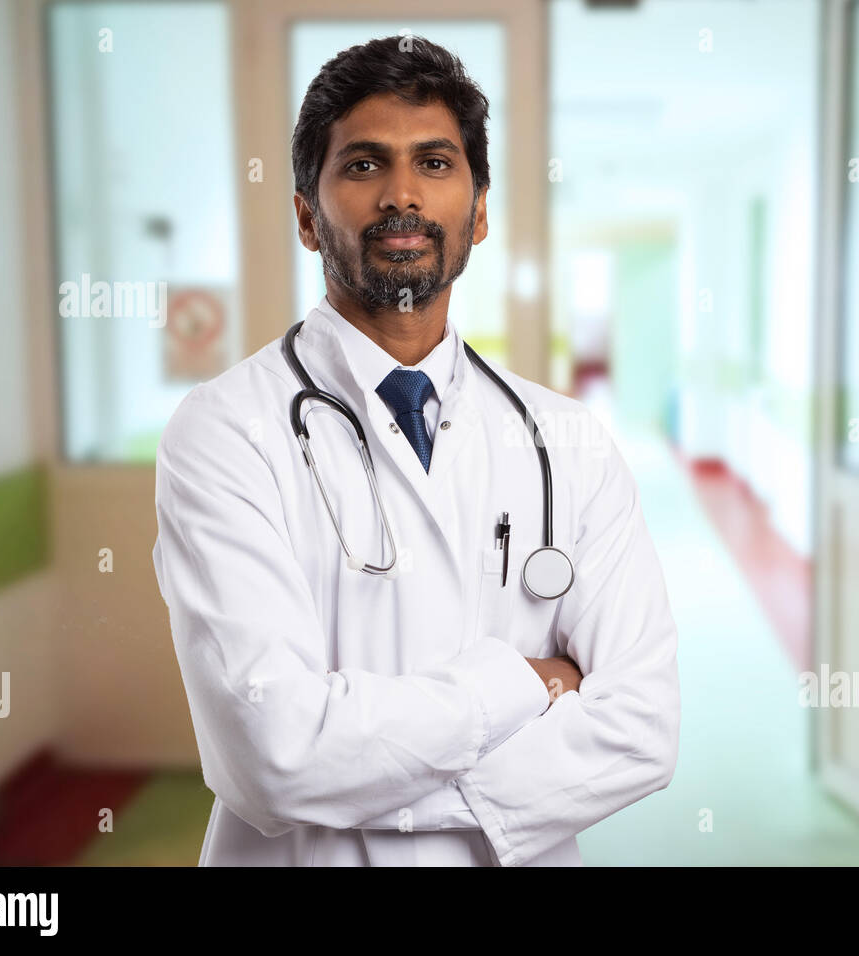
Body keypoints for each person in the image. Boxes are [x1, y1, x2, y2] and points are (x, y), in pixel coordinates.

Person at [151, 34, 681, 867]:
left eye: (434, 163)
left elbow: (641, 727)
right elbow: (273, 755)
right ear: (305, 215)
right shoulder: (223, 431)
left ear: (477, 209)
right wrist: (522, 682)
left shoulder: (567, 440)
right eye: (363, 165)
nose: (402, 193)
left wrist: (363, 783)